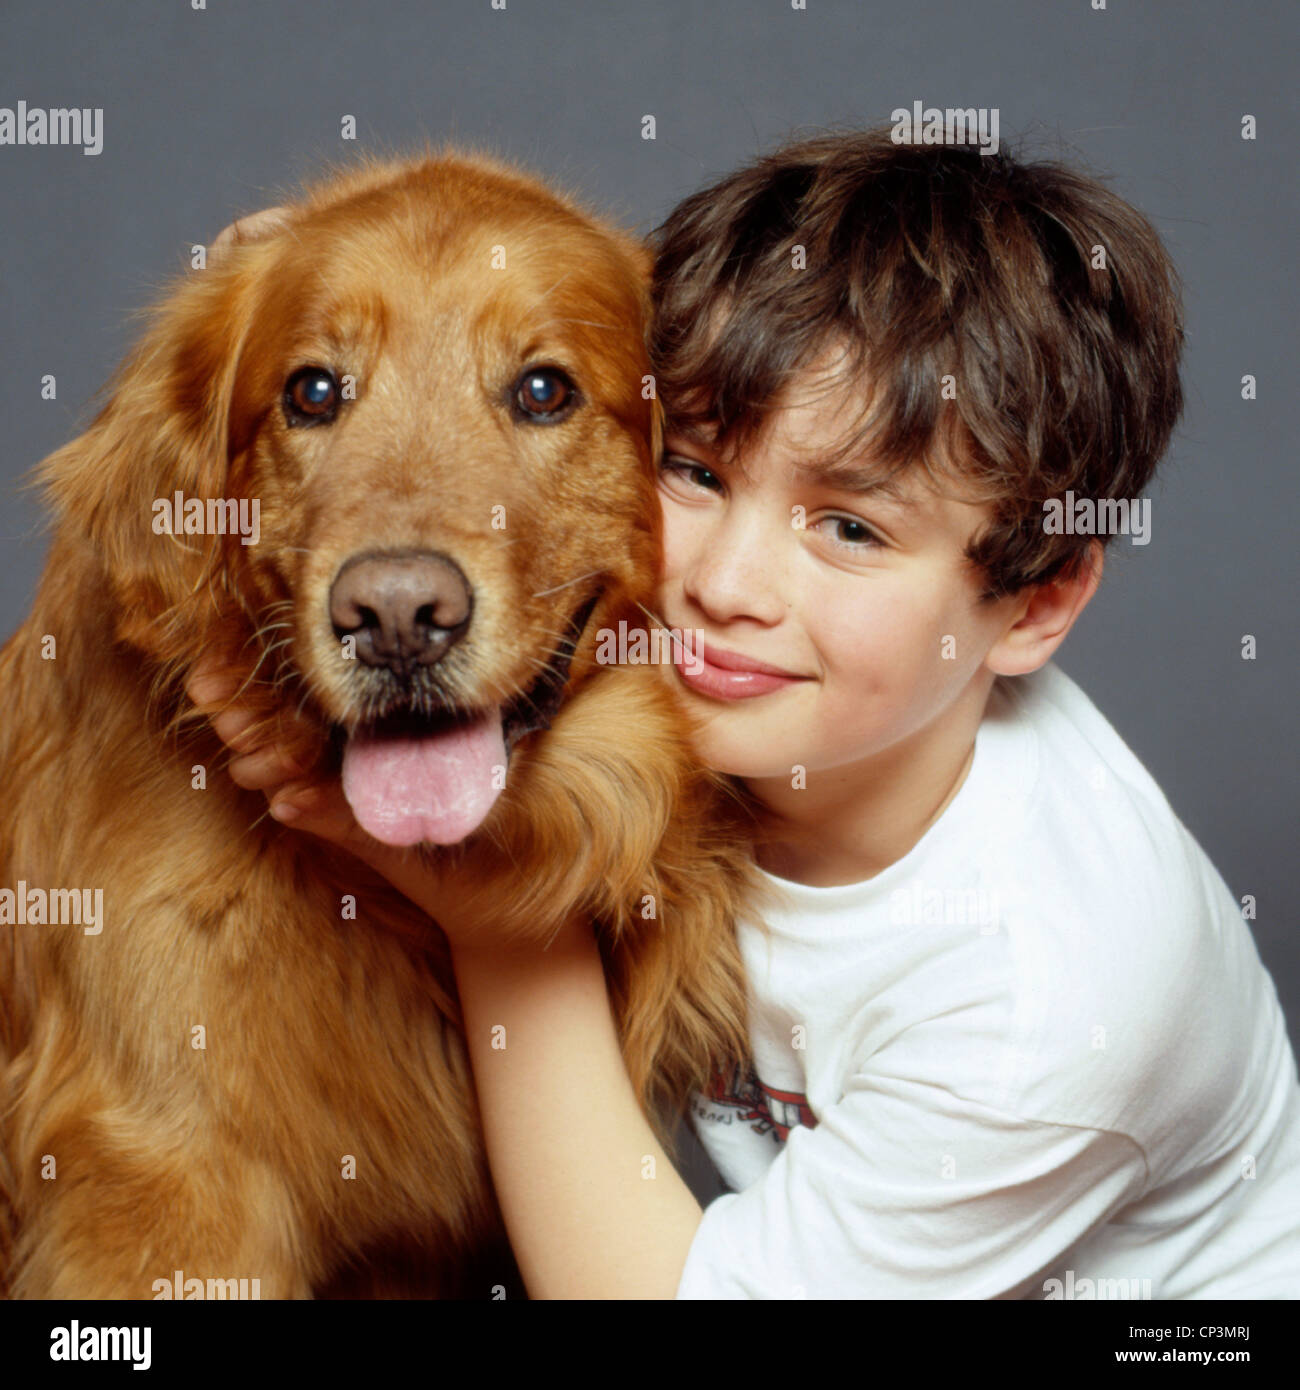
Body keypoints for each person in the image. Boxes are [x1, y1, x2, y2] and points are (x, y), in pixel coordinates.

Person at [190, 128, 1300, 1299]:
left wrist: (498, 917)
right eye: (702, 474)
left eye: (850, 529)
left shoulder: (1050, 994)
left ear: (1033, 599)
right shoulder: (714, 705)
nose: (723, 585)